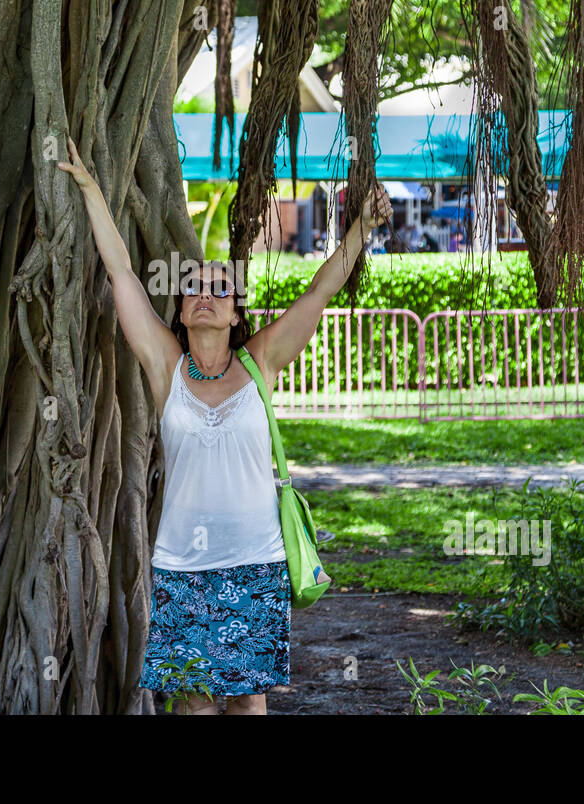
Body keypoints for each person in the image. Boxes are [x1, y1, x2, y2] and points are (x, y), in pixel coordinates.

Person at [58, 138, 391, 715]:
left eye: (220, 289)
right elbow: (122, 274)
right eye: (194, 288)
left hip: (256, 562)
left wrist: (359, 231)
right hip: (183, 567)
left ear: (237, 312)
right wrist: (91, 190)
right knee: (194, 708)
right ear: (181, 310)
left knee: (246, 707)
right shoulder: (167, 368)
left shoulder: (261, 360)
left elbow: (319, 291)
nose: (205, 296)